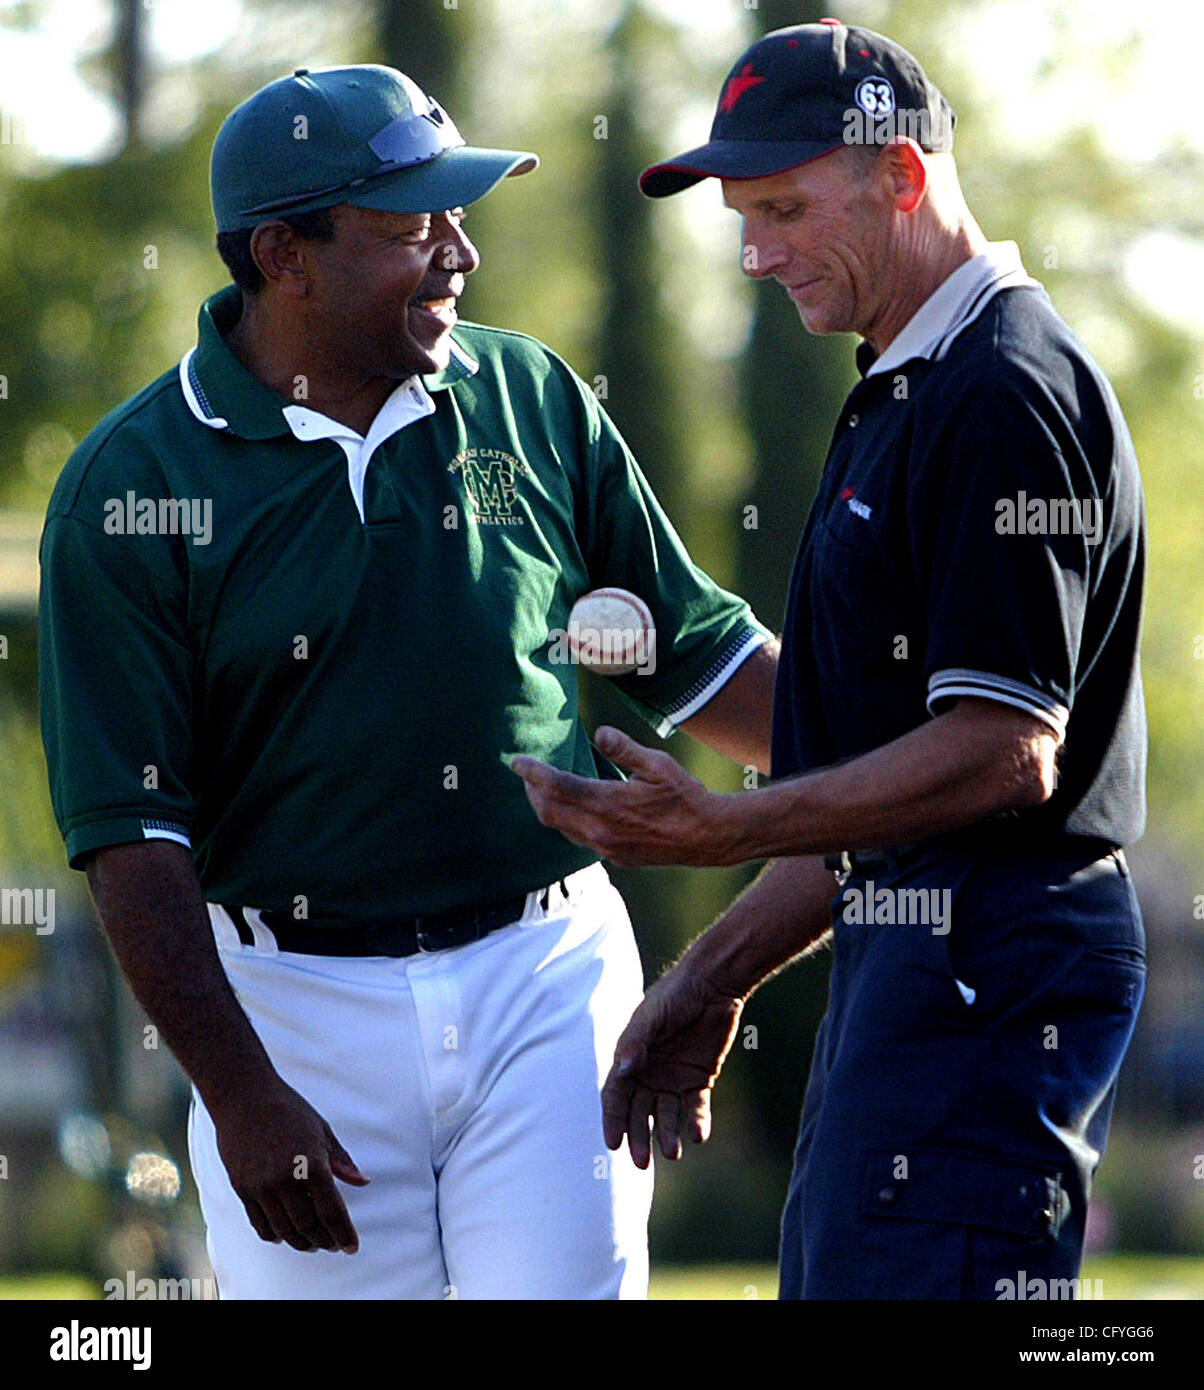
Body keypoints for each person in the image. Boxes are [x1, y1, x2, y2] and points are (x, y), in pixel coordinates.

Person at [38, 63, 780, 1300]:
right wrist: (239, 1091)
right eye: (412, 227)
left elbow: (699, 662)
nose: (458, 255)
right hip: (286, 1008)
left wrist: (908, 767)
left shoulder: (535, 398)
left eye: (458, 217)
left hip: (544, 981)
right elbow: (131, 836)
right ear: (285, 254)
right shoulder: (128, 486)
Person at [513, 21, 1148, 1300]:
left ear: (903, 177)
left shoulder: (1000, 391)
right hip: (922, 952)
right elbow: (879, 788)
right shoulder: (907, 385)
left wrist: (722, 832)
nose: (755, 253)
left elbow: (1003, 753)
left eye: (787, 208)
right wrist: (704, 978)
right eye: (745, 216)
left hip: (993, 958)